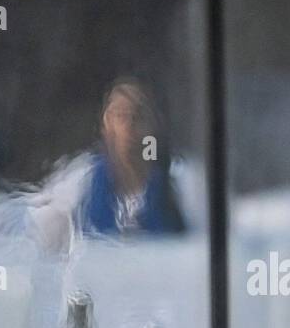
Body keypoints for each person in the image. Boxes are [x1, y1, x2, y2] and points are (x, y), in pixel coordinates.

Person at [25, 76, 187, 251]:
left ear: (153, 125)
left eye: (138, 116)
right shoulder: (79, 181)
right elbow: (39, 238)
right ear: (107, 124)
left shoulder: (182, 180)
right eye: (121, 116)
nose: (129, 126)